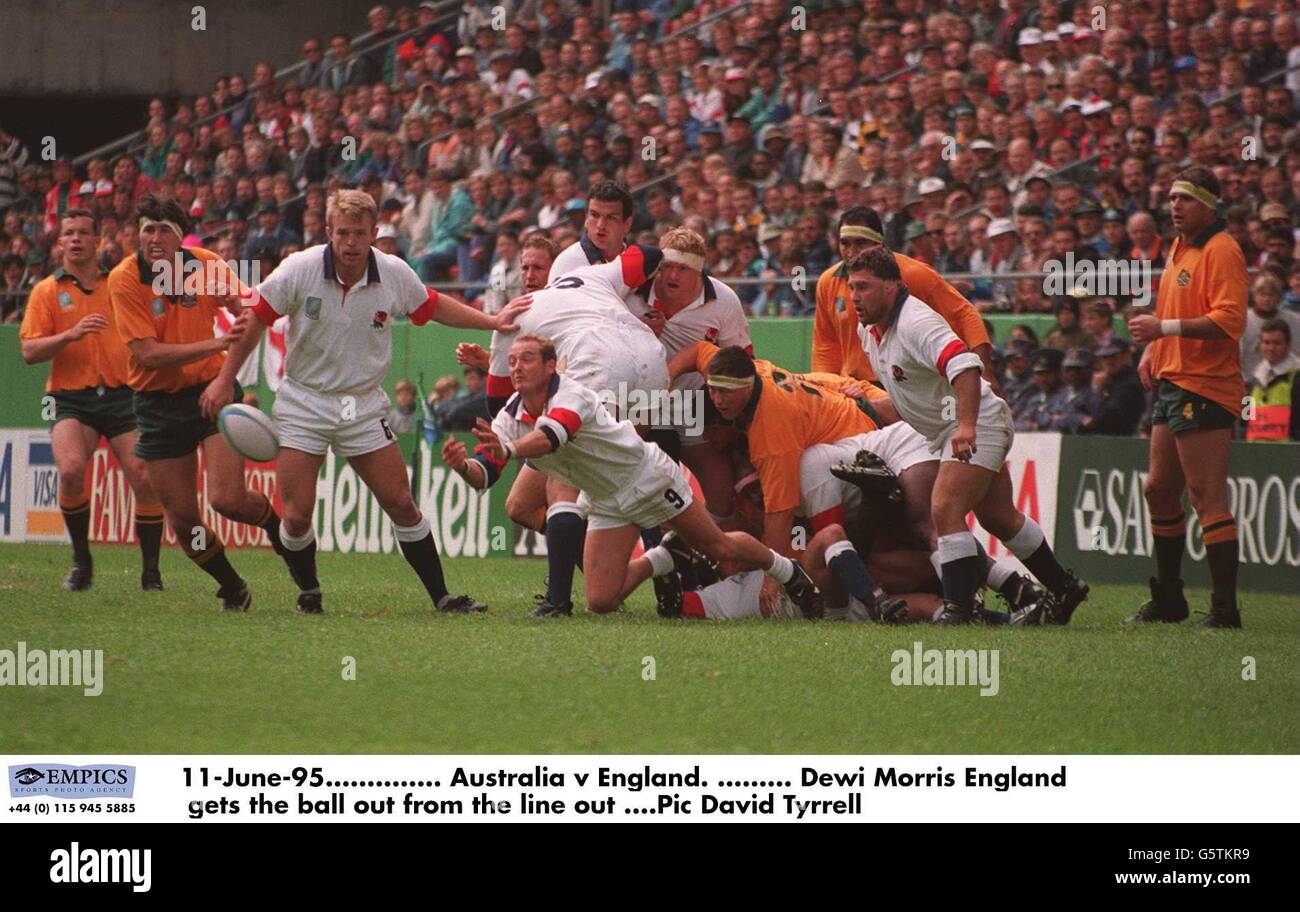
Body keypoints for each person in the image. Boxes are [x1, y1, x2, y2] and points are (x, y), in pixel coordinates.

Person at [221, 190, 528, 614]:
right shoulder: (299, 269)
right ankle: (309, 591)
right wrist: (224, 379)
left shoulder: (394, 273)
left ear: (374, 233)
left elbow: (432, 306)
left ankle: (442, 597)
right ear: (328, 231)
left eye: (359, 234)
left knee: (401, 501)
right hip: (303, 403)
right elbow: (255, 318)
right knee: (295, 516)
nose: (350, 242)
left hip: (362, 405)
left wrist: (492, 321)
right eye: (342, 233)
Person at [442, 334, 821, 617]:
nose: (517, 367)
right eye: (511, 361)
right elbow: (484, 475)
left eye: (526, 359)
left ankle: (788, 570)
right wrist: (464, 467)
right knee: (601, 601)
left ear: (550, 366)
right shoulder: (509, 416)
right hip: (607, 497)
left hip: (647, 477)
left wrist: (507, 450)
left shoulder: (572, 395)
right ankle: (665, 555)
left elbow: (553, 436)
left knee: (717, 546)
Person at [848, 248, 1088, 625]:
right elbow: (911, 390)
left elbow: (965, 366)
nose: (854, 296)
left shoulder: (916, 322)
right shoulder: (869, 331)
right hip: (956, 426)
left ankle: (959, 610)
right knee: (1000, 517)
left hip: (977, 421)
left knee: (943, 509)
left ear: (893, 286)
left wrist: (966, 426)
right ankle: (1064, 587)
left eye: (864, 287)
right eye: (851, 287)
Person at [107, 195, 284, 612]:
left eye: (164, 229)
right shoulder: (124, 278)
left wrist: (241, 312)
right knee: (185, 524)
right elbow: (148, 354)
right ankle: (232, 586)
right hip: (155, 404)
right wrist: (218, 341)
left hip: (212, 389)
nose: (154, 237)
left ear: (180, 237)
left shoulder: (205, 263)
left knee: (228, 500)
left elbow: (249, 306)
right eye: (148, 228)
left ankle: (279, 531)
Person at [19, 209, 165, 592]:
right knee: (69, 470)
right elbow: (30, 351)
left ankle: (151, 572)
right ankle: (82, 561)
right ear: (60, 242)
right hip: (70, 398)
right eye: (70, 233)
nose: (77, 239)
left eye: (85, 232)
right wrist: (70, 334)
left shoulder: (118, 283)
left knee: (145, 477)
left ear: (99, 240)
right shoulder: (46, 291)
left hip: (122, 395)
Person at [1128, 168, 1249, 628]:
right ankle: (1169, 597)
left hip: (1206, 384)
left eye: (1187, 199)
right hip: (1172, 379)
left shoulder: (1223, 251)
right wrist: (1155, 347)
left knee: (1205, 495)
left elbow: (1228, 321)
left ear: (1210, 205)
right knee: (1159, 489)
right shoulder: (1180, 246)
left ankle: (1224, 609)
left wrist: (1164, 330)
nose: (1176, 207)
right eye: (1173, 198)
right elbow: (1172, 309)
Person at [812, 206, 994, 387]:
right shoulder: (828, 283)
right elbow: (826, 345)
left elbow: (965, 314)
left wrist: (985, 373)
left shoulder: (914, 274)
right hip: (856, 387)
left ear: (879, 244)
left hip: (913, 386)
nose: (851, 251)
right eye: (845, 243)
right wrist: (825, 389)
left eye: (860, 243)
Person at [547, 180, 634, 281]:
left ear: (627, 224)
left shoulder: (641, 262)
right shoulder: (567, 263)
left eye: (611, 217)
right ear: (586, 218)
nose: (600, 225)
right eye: (595, 215)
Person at [1244, 319, 1300, 441]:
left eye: (1276, 343)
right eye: (1266, 342)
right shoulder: (1253, 380)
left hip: (1289, 454)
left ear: (1288, 344)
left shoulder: (1297, 378)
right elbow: (1245, 419)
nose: (1271, 348)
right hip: (1255, 454)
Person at [1081, 338, 1145, 435]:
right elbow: (1076, 407)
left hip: (1121, 440)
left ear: (1125, 356)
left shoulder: (1130, 383)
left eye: (1113, 356)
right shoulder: (1102, 378)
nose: (1108, 361)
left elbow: (1102, 418)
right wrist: (1080, 419)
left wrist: (1096, 391)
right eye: (1104, 357)